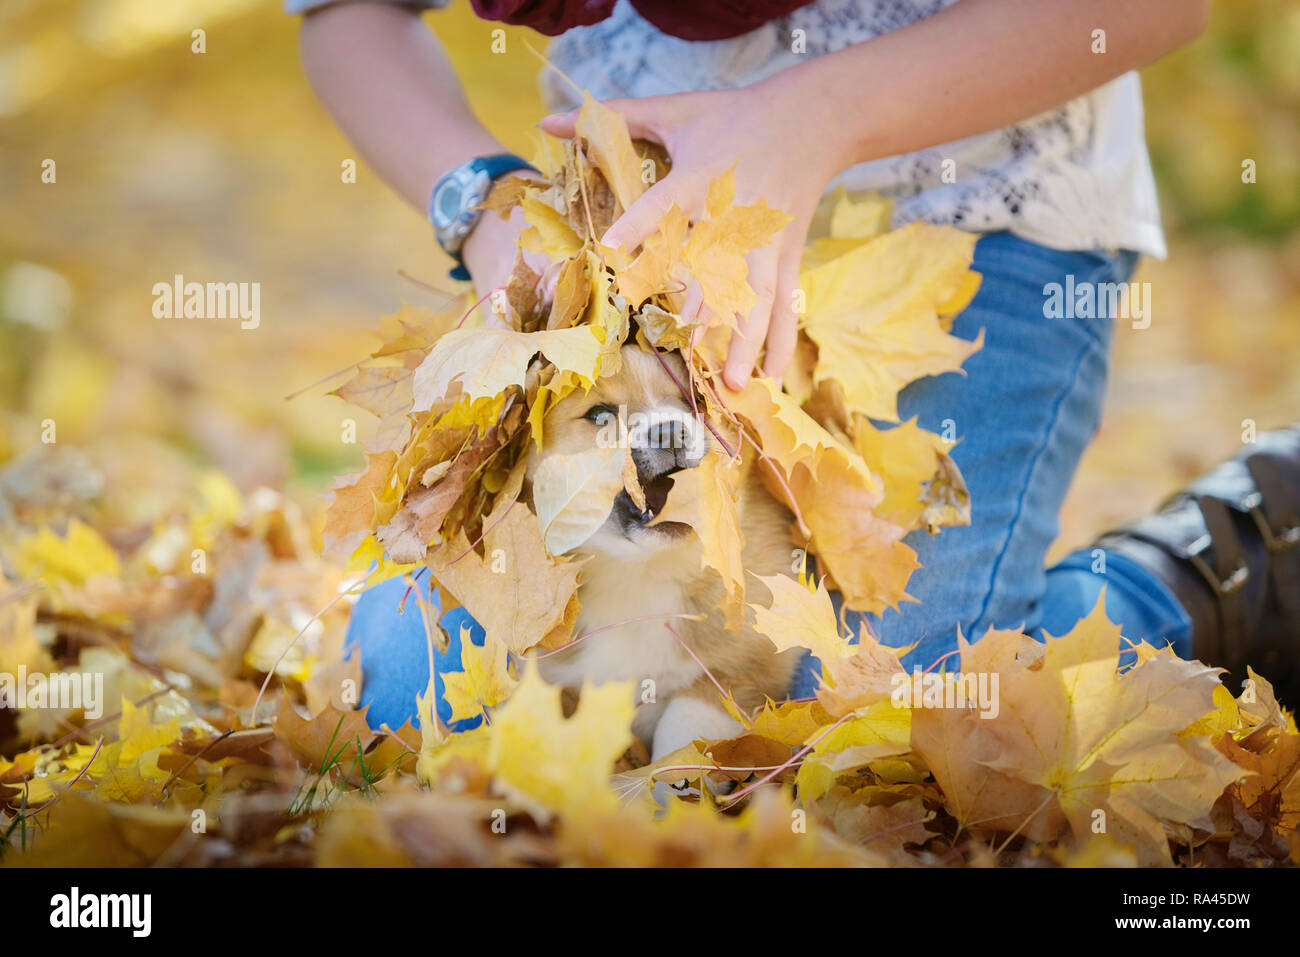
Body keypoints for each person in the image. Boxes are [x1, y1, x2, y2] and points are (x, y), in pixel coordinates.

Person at [290, 0, 1300, 731]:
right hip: (643, 254)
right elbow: (344, 12)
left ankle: (1210, 567)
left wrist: (812, 116)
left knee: (890, 701)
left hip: (967, 228)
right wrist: (482, 199)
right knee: (415, 685)